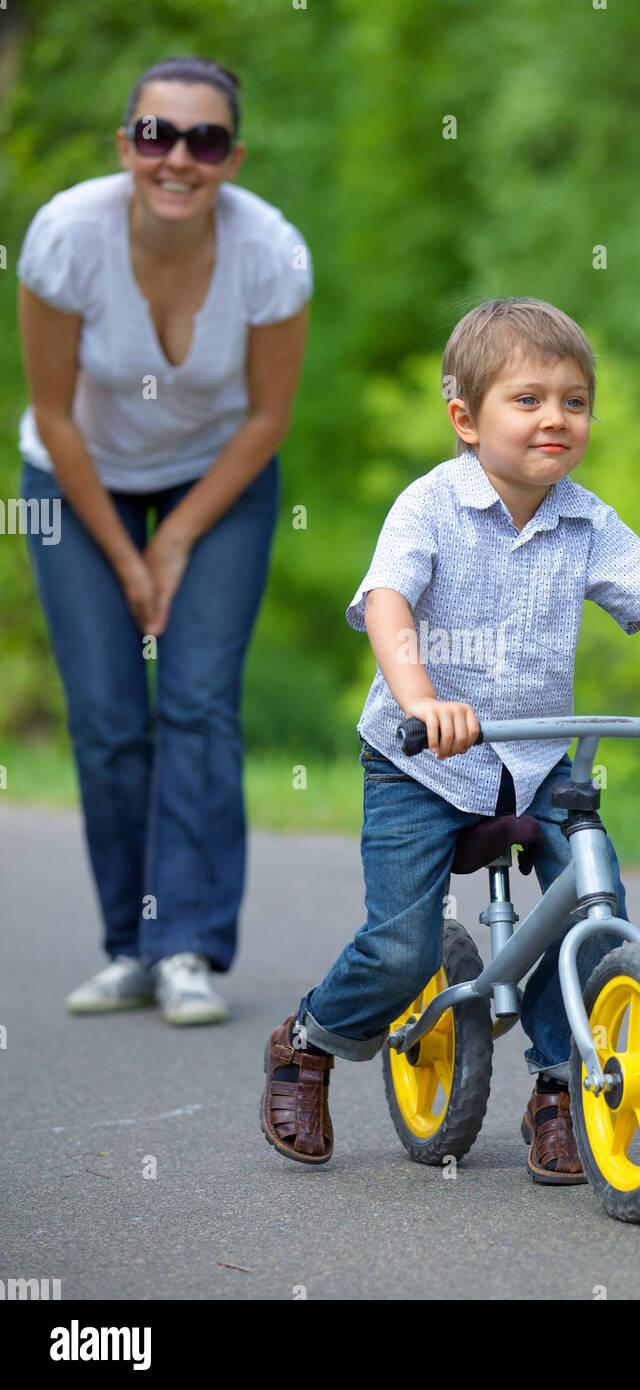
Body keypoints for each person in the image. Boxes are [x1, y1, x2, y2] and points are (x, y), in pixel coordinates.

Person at [260, 297, 640, 1182]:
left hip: (534, 758)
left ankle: (561, 1089)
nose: (555, 419)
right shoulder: (429, 509)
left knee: (595, 911)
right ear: (465, 417)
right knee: (405, 948)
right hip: (422, 760)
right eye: (527, 400)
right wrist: (421, 698)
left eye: (574, 400)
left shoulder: (588, 520)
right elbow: (388, 605)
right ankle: (310, 1040)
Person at [16, 55, 312, 1024]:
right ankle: (130, 946)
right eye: (156, 135)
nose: (176, 157)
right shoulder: (66, 234)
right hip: (76, 479)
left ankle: (184, 943)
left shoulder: (271, 253)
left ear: (230, 157)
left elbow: (268, 418)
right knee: (106, 718)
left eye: (203, 139)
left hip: (217, 480)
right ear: (126, 144)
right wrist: (125, 552)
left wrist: (176, 538)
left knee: (194, 701)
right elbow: (54, 417)